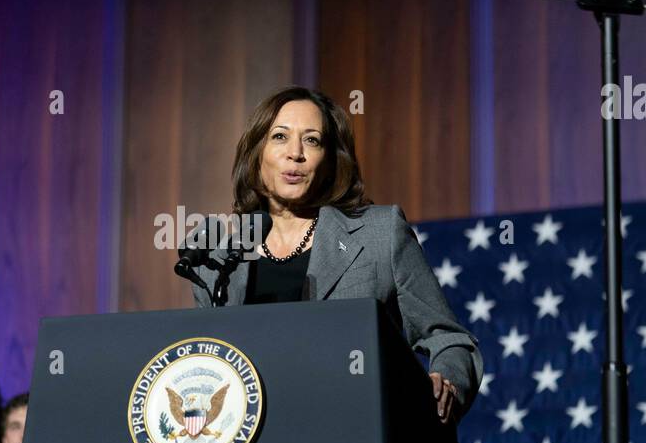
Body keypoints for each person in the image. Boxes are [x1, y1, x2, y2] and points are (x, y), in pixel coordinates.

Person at [189, 85, 483, 423]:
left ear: (330, 161)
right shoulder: (219, 258)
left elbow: (448, 337)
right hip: (251, 439)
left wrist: (446, 382)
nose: (295, 153)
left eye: (312, 140)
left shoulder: (380, 233)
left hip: (354, 429)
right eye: (280, 137)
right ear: (257, 153)